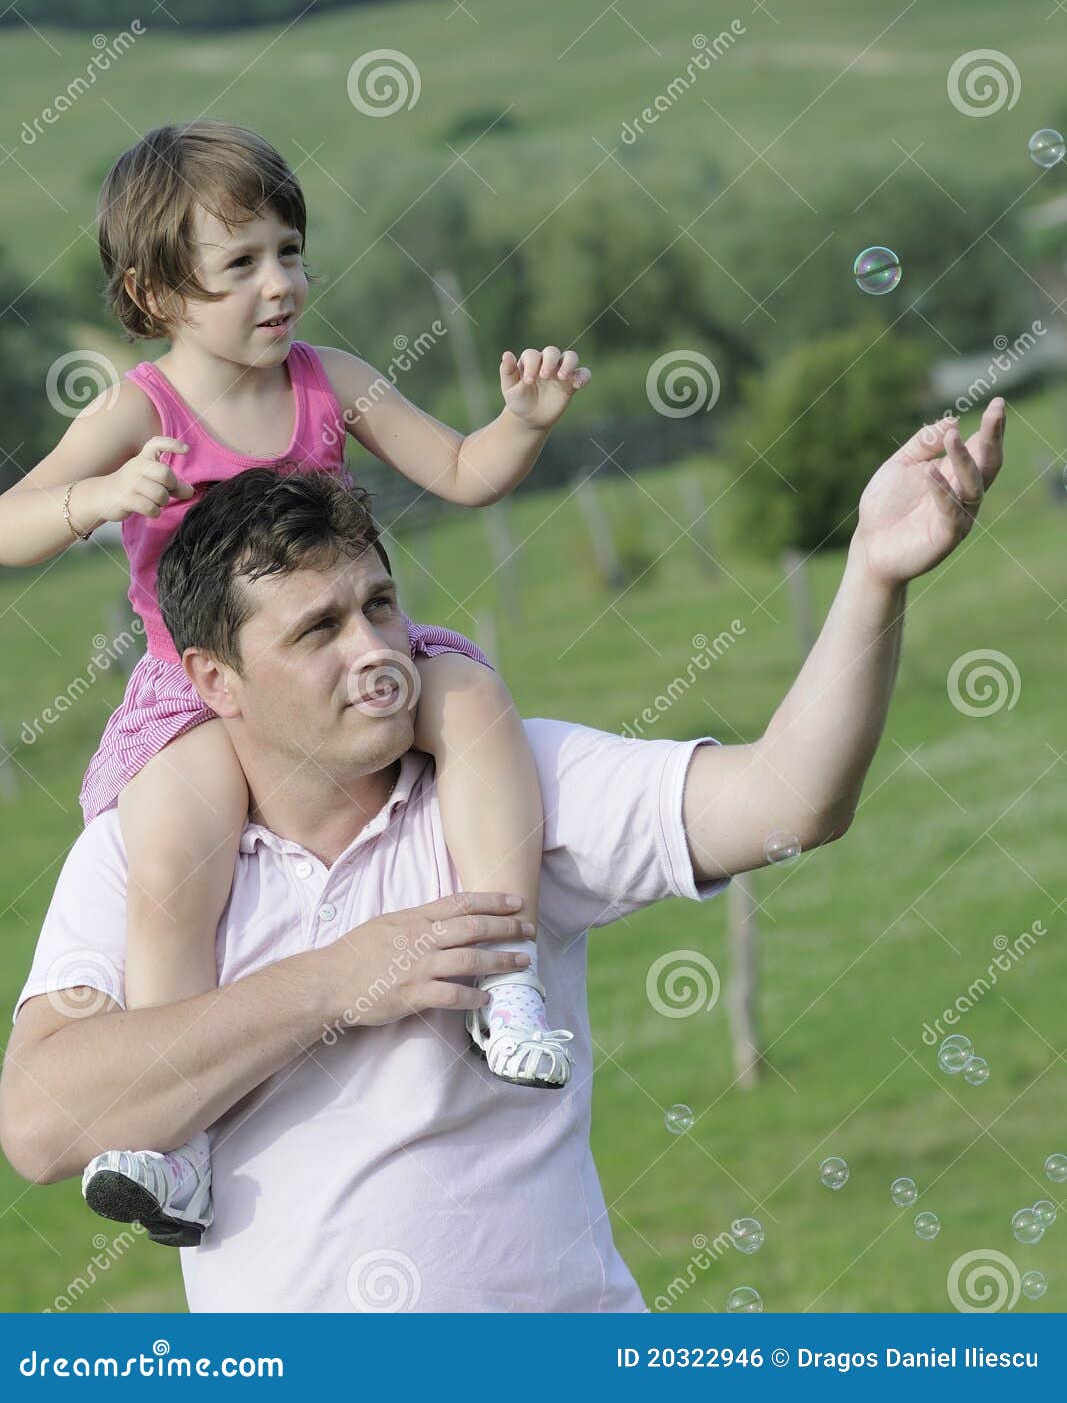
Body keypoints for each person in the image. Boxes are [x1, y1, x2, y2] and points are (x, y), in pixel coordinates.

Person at [0, 396, 1004, 1311]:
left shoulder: (507, 781)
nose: (377, 652)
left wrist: (871, 572)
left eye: (380, 605)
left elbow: (790, 799)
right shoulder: (143, 848)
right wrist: (335, 983)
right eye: (320, 629)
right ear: (217, 681)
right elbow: (41, 1125)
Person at [0, 123, 593, 1243]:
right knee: (173, 839)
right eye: (242, 265)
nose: (281, 285)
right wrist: (102, 495)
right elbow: (9, 522)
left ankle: (506, 980)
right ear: (156, 292)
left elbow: (463, 472)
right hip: (200, 693)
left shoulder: (334, 382)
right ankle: (173, 1136)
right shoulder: (142, 407)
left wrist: (517, 424)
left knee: (469, 700)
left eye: (290, 251)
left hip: (355, 658)